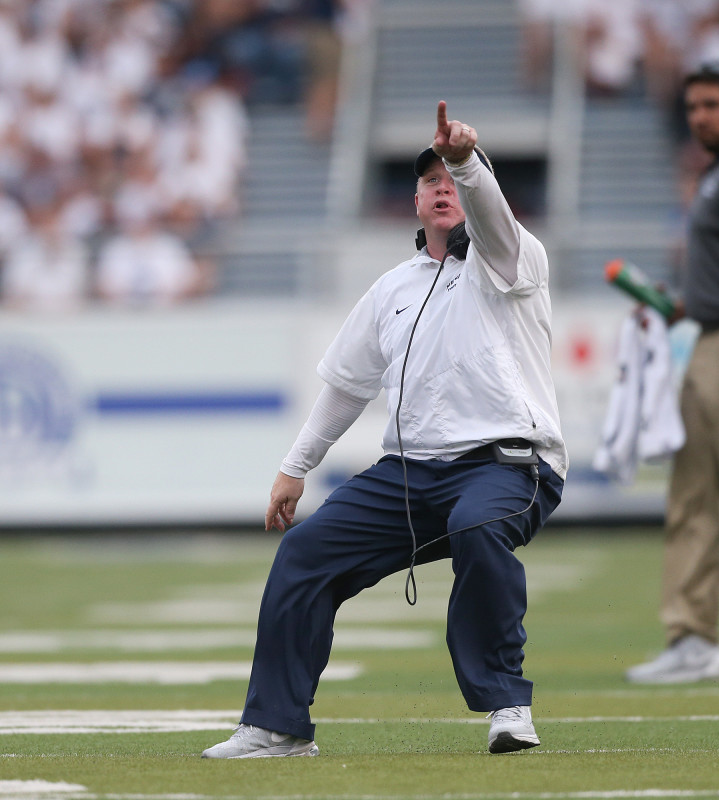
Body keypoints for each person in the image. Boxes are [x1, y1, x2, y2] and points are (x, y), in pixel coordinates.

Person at [201, 101, 567, 759]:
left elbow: (492, 218)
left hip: (507, 465)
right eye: (431, 181)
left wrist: (465, 161)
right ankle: (277, 727)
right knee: (303, 555)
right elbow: (346, 385)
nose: (444, 188)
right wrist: (296, 465)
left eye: (455, 179)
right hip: (409, 474)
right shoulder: (391, 288)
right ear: (416, 202)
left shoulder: (514, 258)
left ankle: (507, 707)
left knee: (480, 529)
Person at [625, 61, 719, 685]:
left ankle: (695, 637)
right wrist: (668, 306)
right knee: (694, 500)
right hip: (705, 338)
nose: (699, 116)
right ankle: (693, 639)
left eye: (712, 104)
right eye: (692, 107)